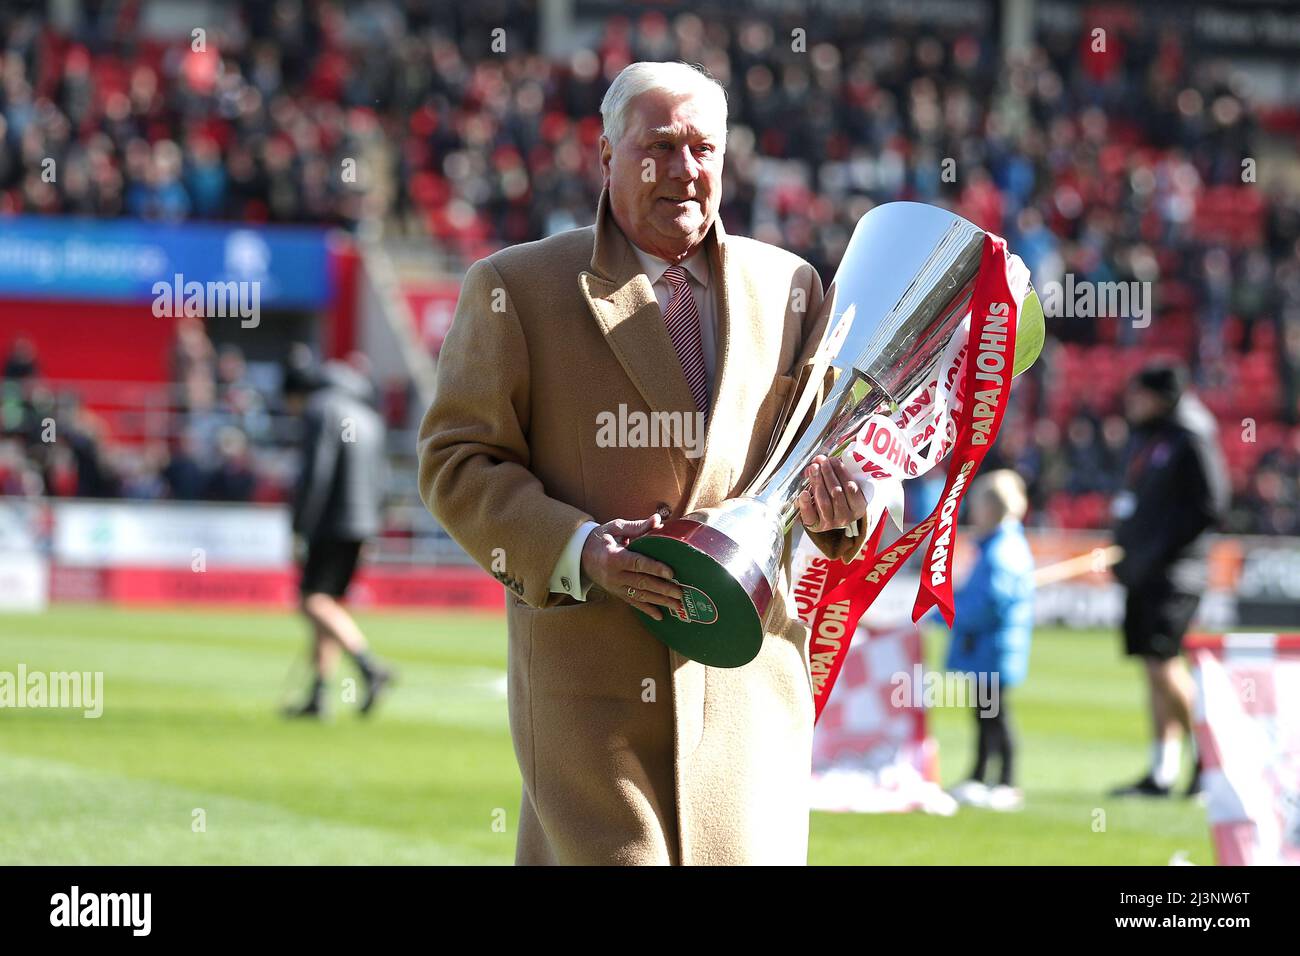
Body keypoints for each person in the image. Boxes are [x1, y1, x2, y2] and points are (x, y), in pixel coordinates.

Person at [417, 61, 870, 865]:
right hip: (593, 698)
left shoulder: (793, 286)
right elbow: (457, 461)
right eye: (659, 146)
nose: (685, 169)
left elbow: (840, 458)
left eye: (703, 148)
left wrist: (848, 509)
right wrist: (580, 548)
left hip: (748, 687)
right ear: (607, 158)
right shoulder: (516, 288)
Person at [1109, 362, 1229, 798]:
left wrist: (1158, 549)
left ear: (1161, 396)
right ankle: (1162, 772)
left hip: (1175, 575)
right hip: (1146, 571)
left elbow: (1212, 503)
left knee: (1164, 663)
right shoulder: (1155, 437)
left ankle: (1213, 759)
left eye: (1139, 394)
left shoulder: (1191, 436)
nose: (1131, 403)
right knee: (1154, 669)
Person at [283, 360, 394, 719]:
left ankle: (369, 666)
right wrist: (374, 524)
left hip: (330, 520)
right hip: (361, 523)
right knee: (329, 604)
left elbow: (317, 472)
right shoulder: (368, 414)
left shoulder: (320, 409)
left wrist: (300, 526)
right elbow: (383, 476)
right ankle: (318, 695)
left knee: (311, 601)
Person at [946, 470, 1035, 812]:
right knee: (985, 713)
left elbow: (987, 604)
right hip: (987, 646)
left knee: (995, 714)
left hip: (993, 647)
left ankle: (1007, 781)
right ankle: (980, 776)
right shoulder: (998, 547)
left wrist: (949, 613)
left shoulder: (1002, 550)